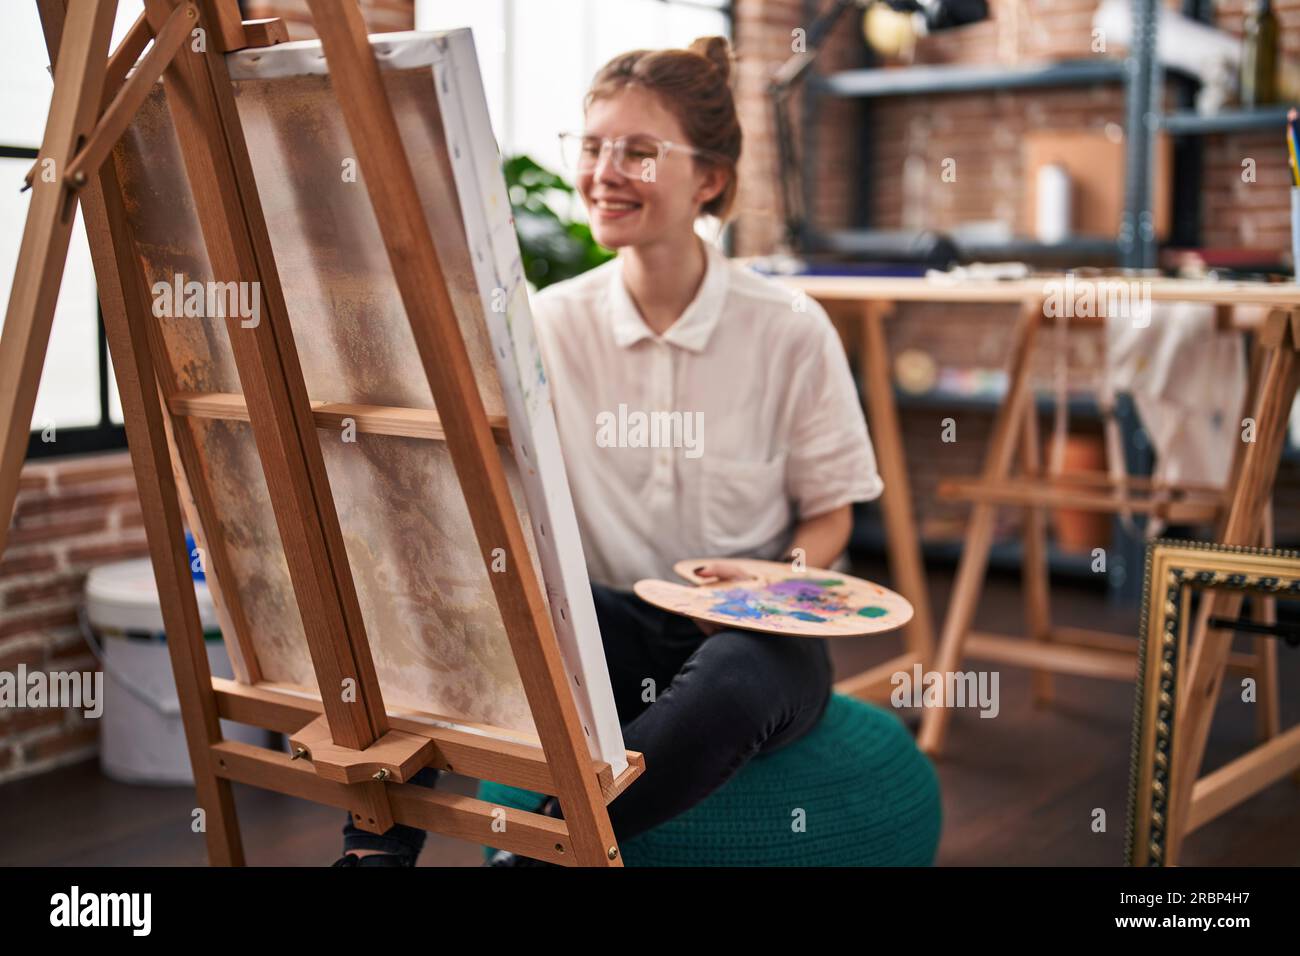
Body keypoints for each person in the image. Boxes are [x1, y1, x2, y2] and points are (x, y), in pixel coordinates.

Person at [333, 34, 882, 868]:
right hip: (608, 630)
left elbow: (831, 514)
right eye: (592, 148)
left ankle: (548, 850)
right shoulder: (547, 322)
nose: (603, 171)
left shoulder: (789, 329)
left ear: (709, 179)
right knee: (449, 611)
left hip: (756, 636)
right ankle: (372, 857)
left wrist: (773, 585)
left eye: (638, 151)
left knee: (733, 675)